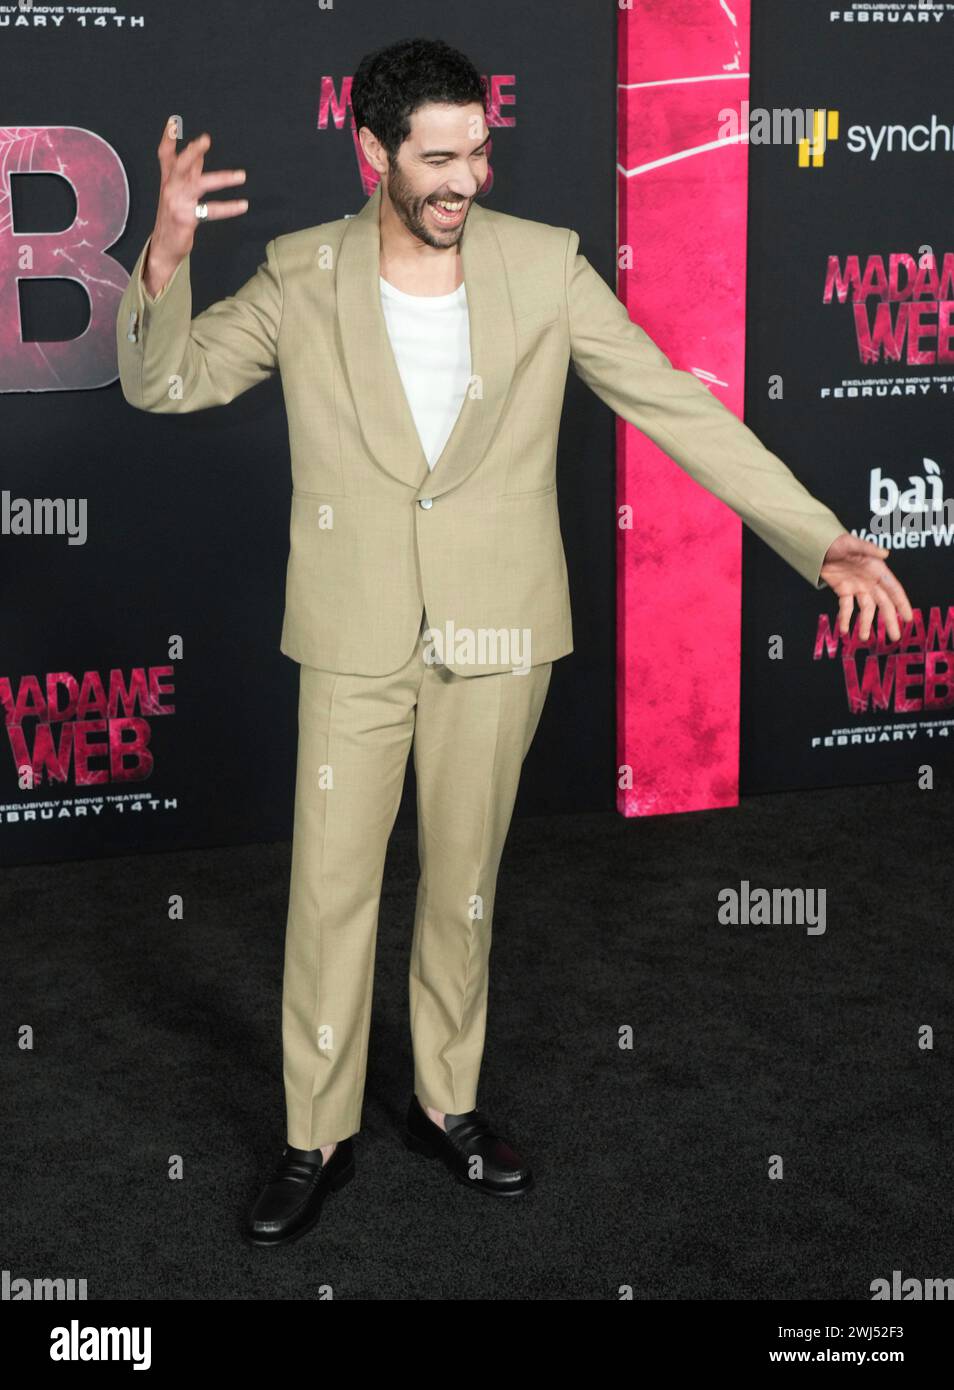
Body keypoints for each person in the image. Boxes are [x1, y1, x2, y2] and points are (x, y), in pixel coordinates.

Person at [115, 36, 913, 1249]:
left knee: (465, 884)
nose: (465, 180)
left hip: (500, 633)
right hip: (351, 633)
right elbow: (161, 386)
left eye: (478, 152)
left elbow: (671, 399)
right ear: (371, 149)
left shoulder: (545, 270)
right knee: (329, 892)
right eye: (437, 158)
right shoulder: (299, 274)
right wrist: (164, 258)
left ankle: (448, 1102)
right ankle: (313, 1133)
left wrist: (819, 540)